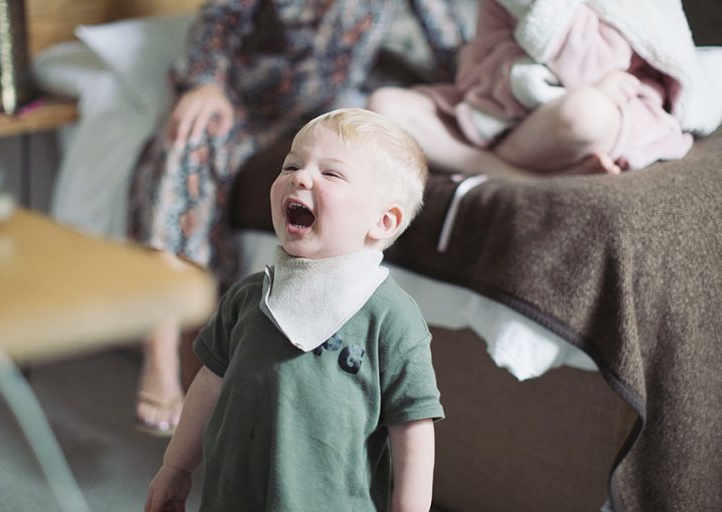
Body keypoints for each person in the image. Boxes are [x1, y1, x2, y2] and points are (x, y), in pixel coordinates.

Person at [128, 0, 468, 436]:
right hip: (241, 99)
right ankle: (160, 345)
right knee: (189, 141)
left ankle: (205, 356)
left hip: (321, 113)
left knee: (365, 142)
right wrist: (206, 84)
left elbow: (453, 47)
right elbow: (220, 21)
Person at [143, 108, 443, 511]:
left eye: (332, 174)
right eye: (292, 165)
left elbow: (414, 431)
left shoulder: (391, 319)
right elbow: (208, 386)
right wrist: (176, 466)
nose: (300, 177)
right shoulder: (248, 297)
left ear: (384, 221)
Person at [368, 0, 722, 180]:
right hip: (495, 111)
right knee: (385, 106)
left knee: (586, 114)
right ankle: (506, 174)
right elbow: (479, 65)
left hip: (596, 106)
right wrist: (519, 80)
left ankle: (504, 167)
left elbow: (599, 66)